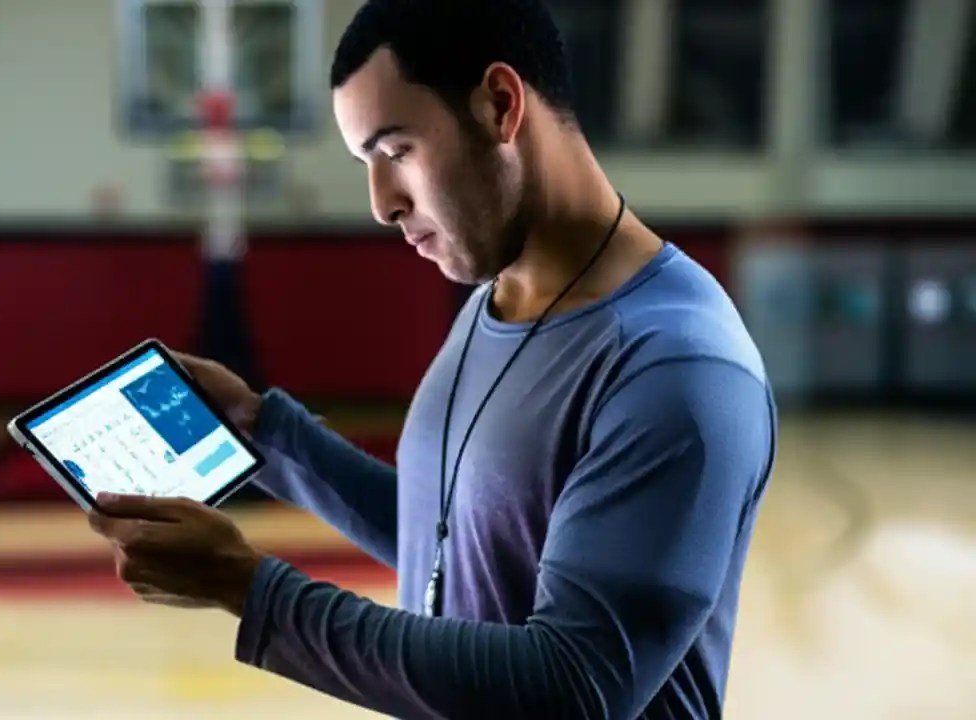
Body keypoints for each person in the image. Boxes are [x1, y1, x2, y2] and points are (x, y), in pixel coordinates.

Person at [87, 0, 776, 717]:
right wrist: (264, 431)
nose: (382, 203)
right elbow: (463, 536)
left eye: (395, 151)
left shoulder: (680, 370)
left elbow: (574, 686)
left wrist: (251, 590)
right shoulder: (496, 295)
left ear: (500, 105)